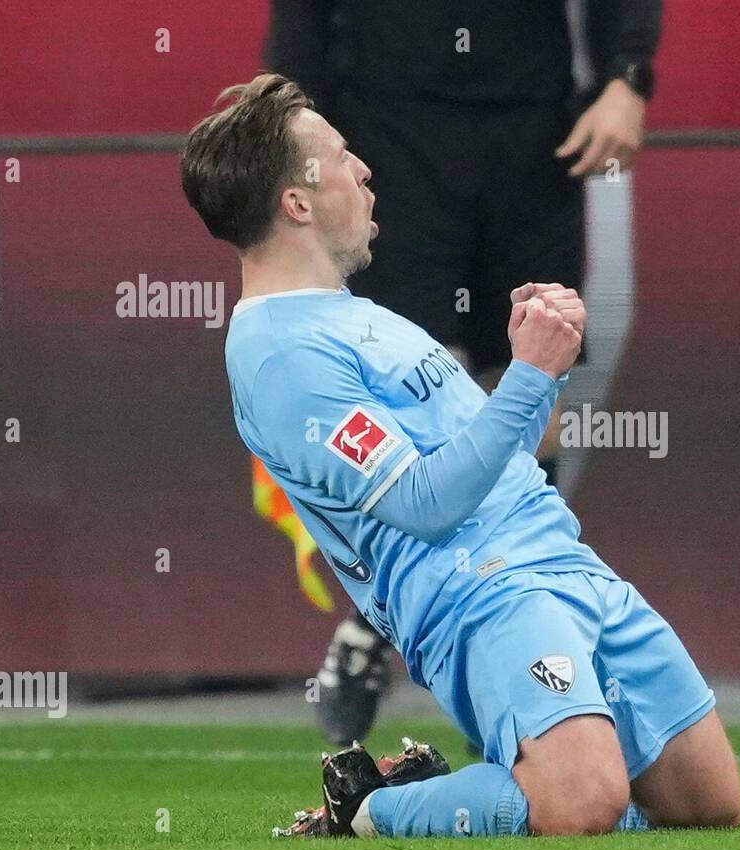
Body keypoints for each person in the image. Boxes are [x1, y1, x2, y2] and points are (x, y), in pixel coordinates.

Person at [181, 74, 740, 837]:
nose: (365, 171)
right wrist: (530, 373)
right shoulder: (282, 357)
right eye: (344, 158)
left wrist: (542, 361)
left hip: (564, 561)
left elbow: (492, 457)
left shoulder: (358, 318)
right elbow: (421, 504)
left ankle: (509, 794)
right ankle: (369, 810)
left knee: (707, 807)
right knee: (581, 804)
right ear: (298, 203)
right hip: (481, 594)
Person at [261, 1, 661, 743]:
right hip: (381, 132)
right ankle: (376, 624)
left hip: (531, 128)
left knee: (535, 383)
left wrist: (628, 77)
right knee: (407, 400)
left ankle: (525, 635)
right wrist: (285, 129)